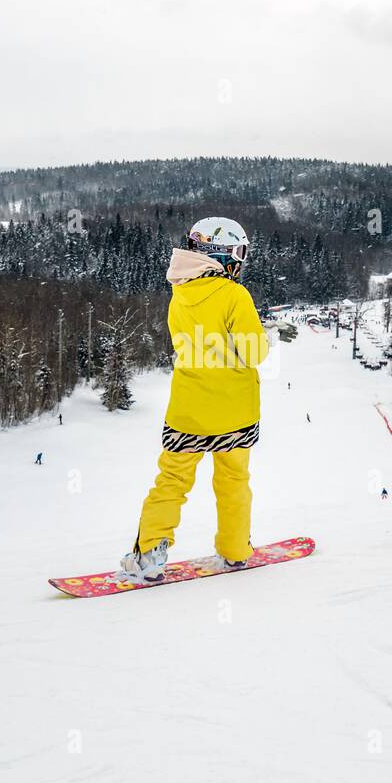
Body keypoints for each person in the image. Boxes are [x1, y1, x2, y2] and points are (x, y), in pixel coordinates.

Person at [121, 216, 271, 583]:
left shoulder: (180, 294)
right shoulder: (235, 295)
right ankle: (235, 550)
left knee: (171, 480)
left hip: (188, 411)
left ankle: (149, 555)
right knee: (233, 480)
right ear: (219, 254)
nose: (239, 262)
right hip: (235, 412)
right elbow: (254, 353)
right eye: (236, 254)